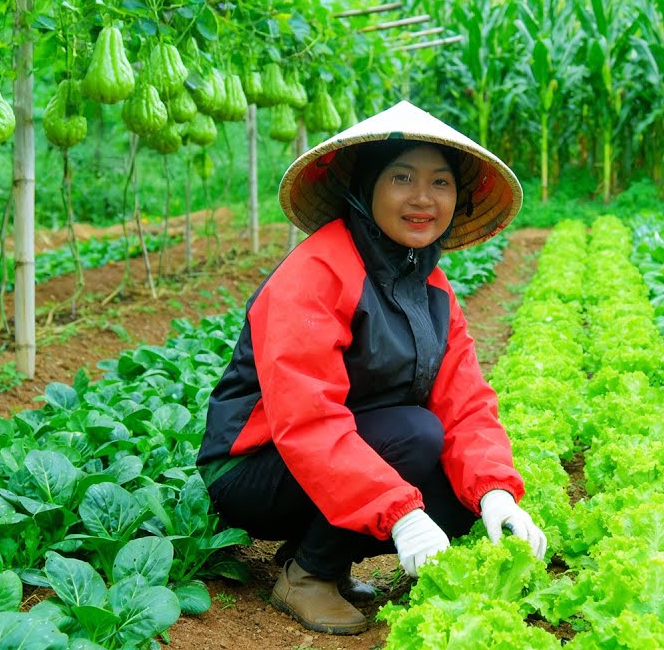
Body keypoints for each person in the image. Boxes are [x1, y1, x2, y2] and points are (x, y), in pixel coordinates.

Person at [196, 100, 547, 635]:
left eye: (441, 182)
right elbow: (306, 419)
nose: (423, 199)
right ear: (364, 187)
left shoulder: (430, 286)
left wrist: (496, 490)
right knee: (413, 434)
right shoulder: (317, 271)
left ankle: (310, 548)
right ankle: (310, 573)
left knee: (456, 495)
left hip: (335, 454)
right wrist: (401, 514)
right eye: (402, 177)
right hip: (253, 464)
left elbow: (466, 401)